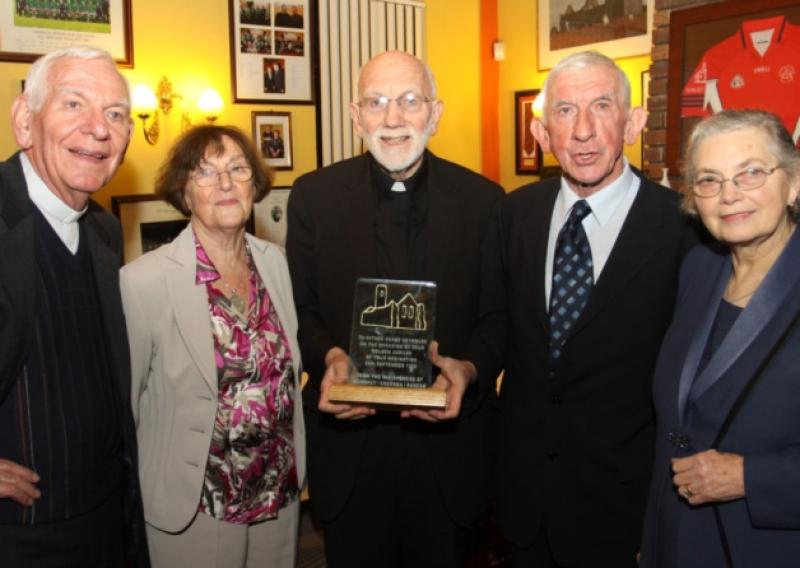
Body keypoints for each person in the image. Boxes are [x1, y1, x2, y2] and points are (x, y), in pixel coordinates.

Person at [286, 50, 504, 567]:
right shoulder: (313, 197)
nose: (392, 119)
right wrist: (329, 357)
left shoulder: (485, 202)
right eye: (376, 102)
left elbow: (499, 316)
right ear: (355, 115)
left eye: (410, 101)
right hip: (350, 451)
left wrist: (468, 369)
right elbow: (301, 308)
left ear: (436, 112)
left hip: (449, 455)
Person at [485, 50, 699, 567]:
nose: (582, 131)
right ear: (541, 134)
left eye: (601, 106)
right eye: (564, 111)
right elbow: (495, 328)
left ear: (633, 123)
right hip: (523, 502)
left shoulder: (683, 230)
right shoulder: (513, 215)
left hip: (622, 507)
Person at [120, 125, 305, 567]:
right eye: (205, 172)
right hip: (196, 505)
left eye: (237, 169)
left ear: (254, 185)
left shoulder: (274, 262)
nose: (224, 183)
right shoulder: (143, 281)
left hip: (277, 496)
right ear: (184, 194)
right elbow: (124, 408)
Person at [0, 46, 149, 566]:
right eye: (73, 105)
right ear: (25, 121)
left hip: (108, 518)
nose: (98, 129)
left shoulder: (106, 231)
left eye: (115, 114)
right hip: (18, 536)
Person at [639, 110, 800, 567]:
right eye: (709, 180)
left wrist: (751, 477)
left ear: (793, 182)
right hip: (677, 540)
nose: (729, 195)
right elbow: (677, 426)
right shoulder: (700, 269)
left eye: (750, 173)